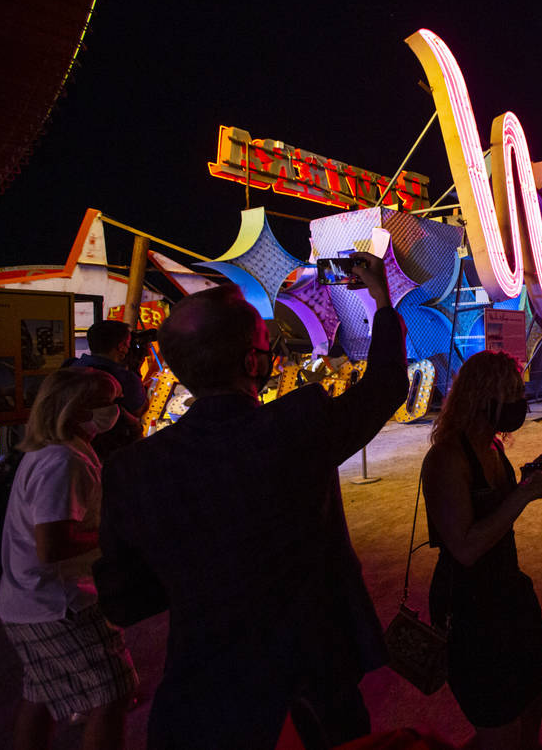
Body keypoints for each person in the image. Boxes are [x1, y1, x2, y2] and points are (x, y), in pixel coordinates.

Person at [93, 255, 408, 749]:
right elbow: (386, 385)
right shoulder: (296, 425)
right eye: (266, 349)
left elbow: (123, 599)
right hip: (308, 687)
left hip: (201, 700)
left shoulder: (133, 469)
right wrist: (383, 301)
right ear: (251, 363)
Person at [0, 367, 138, 749]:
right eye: (108, 403)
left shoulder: (54, 450)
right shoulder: (63, 461)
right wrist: (117, 536)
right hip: (58, 604)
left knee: (41, 693)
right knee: (112, 692)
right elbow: (53, 545)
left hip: (27, 600)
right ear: (76, 409)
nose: (116, 411)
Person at [422, 350, 542, 749]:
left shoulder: (493, 447)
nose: (520, 403)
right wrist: (522, 497)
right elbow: (464, 547)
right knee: (500, 730)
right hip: (471, 610)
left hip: (510, 595)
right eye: (511, 394)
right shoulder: (446, 458)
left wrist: (523, 483)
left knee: (531, 708)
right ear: (483, 399)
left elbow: (495, 514)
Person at [64, 319, 147, 460]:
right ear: (121, 346)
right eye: (127, 343)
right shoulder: (124, 378)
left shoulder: (71, 366)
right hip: (109, 454)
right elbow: (139, 410)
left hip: (70, 444)